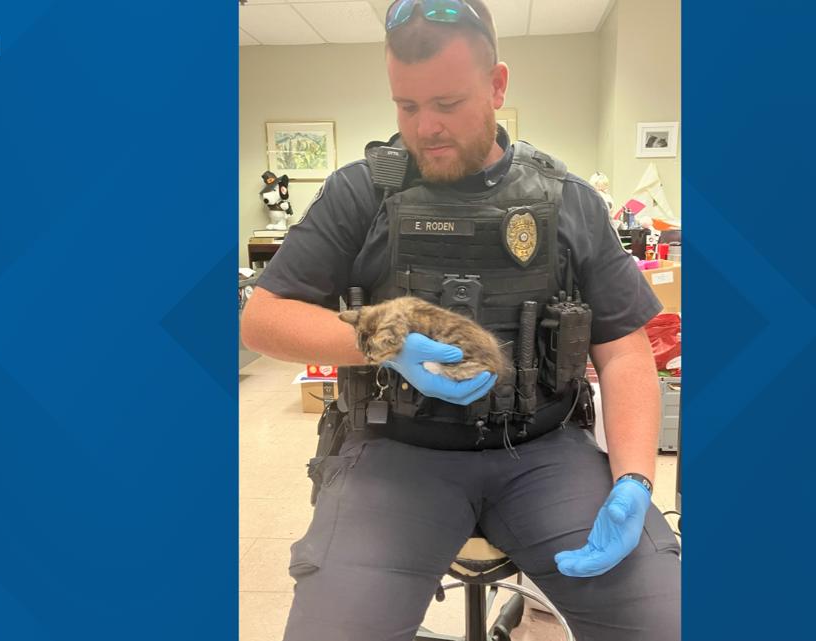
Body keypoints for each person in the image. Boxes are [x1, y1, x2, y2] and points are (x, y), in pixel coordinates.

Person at [240, 1, 680, 639]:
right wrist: (380, 342)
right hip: (398, 454)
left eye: (447, 103)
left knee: (665, 622)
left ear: (498, 85)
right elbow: (260, 318)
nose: (426, 128)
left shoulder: (567, 201)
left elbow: (626, 349)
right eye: (407, 106)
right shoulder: (359, 193)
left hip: (544, 453)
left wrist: (636, 477)